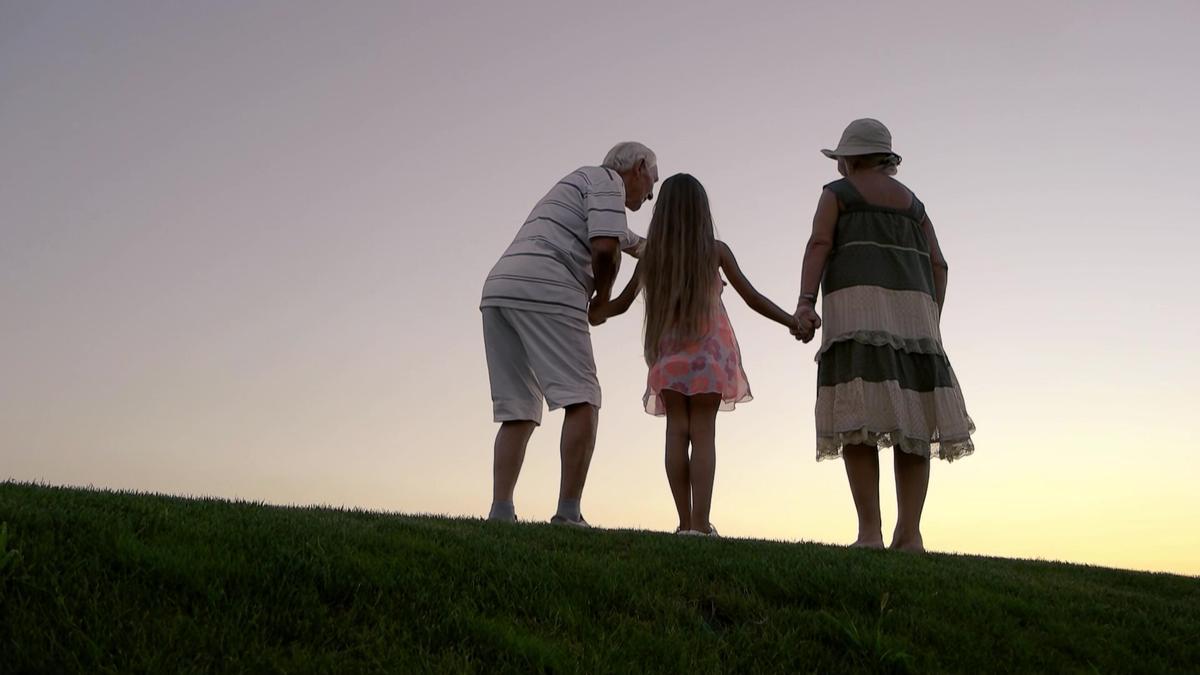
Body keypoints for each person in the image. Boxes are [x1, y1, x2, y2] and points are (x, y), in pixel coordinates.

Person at [793, 118, 975, 551]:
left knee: (858, 418)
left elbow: (819, 243)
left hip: (857, 310)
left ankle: (870, 532)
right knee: (912, 420)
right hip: (915, 319)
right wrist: (929, 319)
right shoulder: (914, 204)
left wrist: (805, 301)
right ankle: (909, 534)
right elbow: (940, 265)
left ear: (850, 159)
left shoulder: (837, 195)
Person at [591, 173, 797, 536]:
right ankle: (701, 525)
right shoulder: (715, 251)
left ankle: (683, 523)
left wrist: (592, 309)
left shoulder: (652, 255)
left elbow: (620, 304)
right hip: (709, 358)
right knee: (703, 435)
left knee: (676, 433)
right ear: (702, 212)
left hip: (668, 359)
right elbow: (753, 298)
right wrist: (791, 321)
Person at [480, 142, 658, 526]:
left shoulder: (583, 187)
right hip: (549, 285)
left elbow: (637, 245)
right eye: (652, 183)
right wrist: (601, 301)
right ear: (639, 167)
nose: (651, 194)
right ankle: (568, 512)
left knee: (519, 408)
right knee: (583, 398)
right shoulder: (607, 181)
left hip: (500, 289)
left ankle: (500, 512)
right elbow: (607, 249)